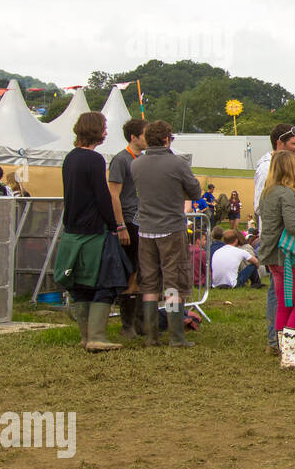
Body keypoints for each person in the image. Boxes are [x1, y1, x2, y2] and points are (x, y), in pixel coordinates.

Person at [55, 111, 127, 352]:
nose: (106, 132)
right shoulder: (95, 160)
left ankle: (85, 337)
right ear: (96, 130)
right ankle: (97, 337)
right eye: (104, 128)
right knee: (105, 283)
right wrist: (115, 224)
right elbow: (102, 196)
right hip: (94, 232)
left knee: (81, 286)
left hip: (73, 229)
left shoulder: (70, 158)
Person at [130, 120, 201, 348]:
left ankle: (151, 336)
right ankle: (176, 336)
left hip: (146, 230)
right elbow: (196, 191)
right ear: (165, 138)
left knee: (149, 283)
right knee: (173, 283)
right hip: (171, 228)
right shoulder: (177, 163)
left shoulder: (137, 164)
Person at [257, 151, 295, 370]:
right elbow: (293, 226)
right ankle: (291, 357)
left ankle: (286, 353)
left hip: (273, 257)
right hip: (289, 257)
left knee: (285, 304)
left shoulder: (267, 192)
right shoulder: (287, 193)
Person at [255, 123, 295, 354]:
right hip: (278, 241)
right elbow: (260, 205)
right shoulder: (267, 170)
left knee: (285, 292)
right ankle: (277, 342)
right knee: (279, 293)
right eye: (294, 143)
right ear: (279, 144)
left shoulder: (286, 167)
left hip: (284, 240)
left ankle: (285, 339)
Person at [105, 117, 148, 339]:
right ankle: (127, 325)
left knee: (141, 271)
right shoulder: (121, 160)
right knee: (130, 272)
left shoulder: (143, 159)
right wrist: (120, 224)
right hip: (129, 221)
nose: (147, 138)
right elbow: (114, 194)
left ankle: (141, 324)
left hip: (143, 221)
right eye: (144, 134)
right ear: (134, 137)